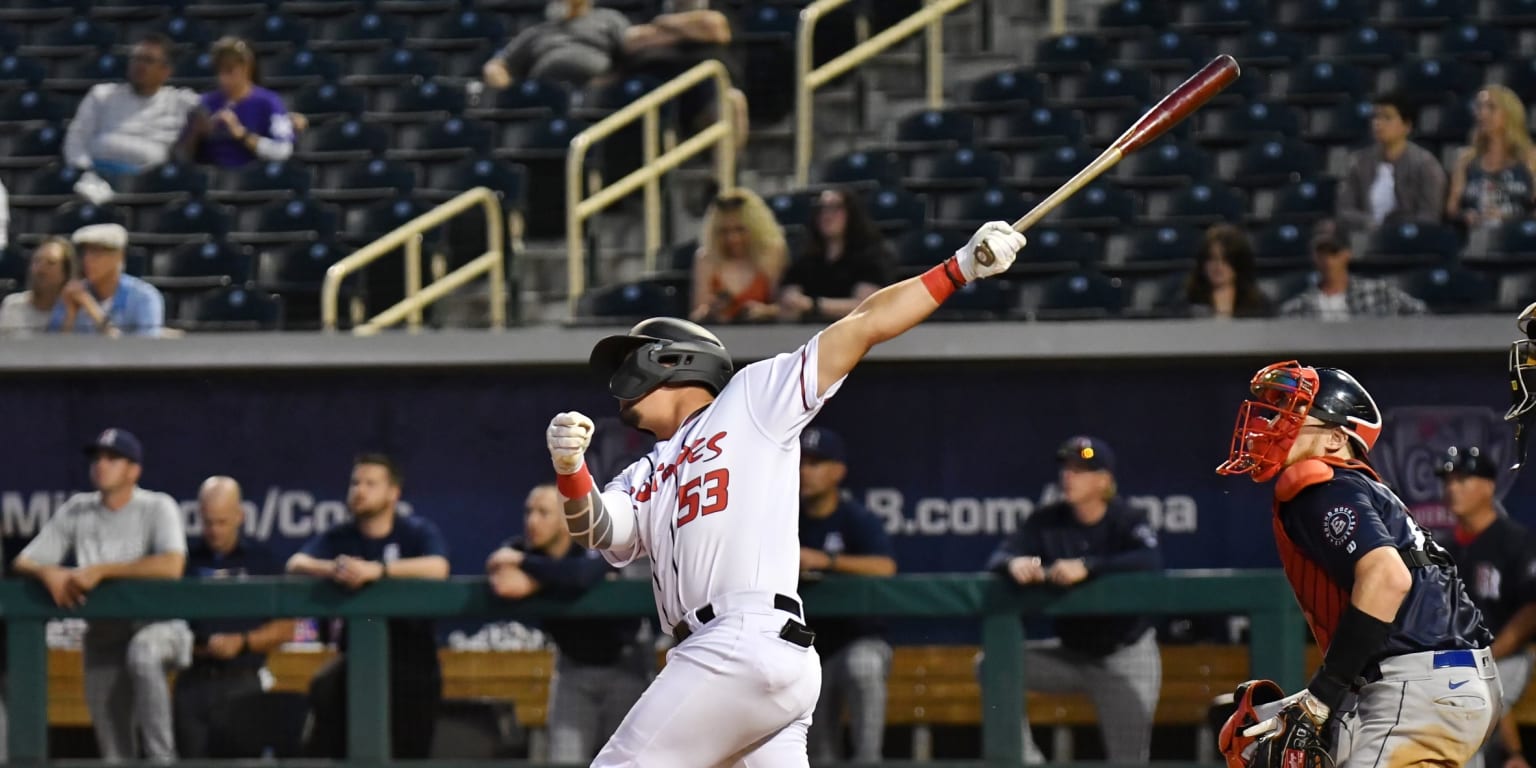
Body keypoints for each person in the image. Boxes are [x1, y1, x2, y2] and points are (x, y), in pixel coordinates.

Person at [542, 219, 1027, 765]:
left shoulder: (750, 399)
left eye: (629, 360)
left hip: (737, 639)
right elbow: (597, 532)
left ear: (672, 360)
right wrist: (569, 468)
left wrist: (958, 269)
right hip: (748, 657)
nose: (617, 382)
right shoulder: (644, 470)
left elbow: (861, 326)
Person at [1215, 361, 1498, 768]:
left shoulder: (1319, 483)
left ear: (1334, 438)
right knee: (1255, 733)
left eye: (1292, 414)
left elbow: (1387, 577)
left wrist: (1322, 696)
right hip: (1449, 683)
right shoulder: (1362, 488)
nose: (1274, 423)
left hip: (1416, 688)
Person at [12, 429, 191, 762]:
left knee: (143, 653)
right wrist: (49, 572)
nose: (101, 465)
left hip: (159, 627)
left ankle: (162, 760)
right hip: (104, 634)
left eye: (112, 459)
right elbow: (23, 560)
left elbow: (171, 565)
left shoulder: (156, 506)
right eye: (97, 459)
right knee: (113, 752)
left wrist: (103, 570)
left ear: (133, 470)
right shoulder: (78, 510)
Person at [983, 436, 1163, 764]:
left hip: (1124, 658)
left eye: (1081, 470)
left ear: (1103, 480)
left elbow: (1150, 560)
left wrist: (1089, 567)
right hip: (1071, 657)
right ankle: (1025, 760)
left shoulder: (1126, 518)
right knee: (993, 663)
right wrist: (1014, 563)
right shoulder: (1048, 520)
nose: (1069, 476)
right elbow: (1000, 556)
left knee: (1129, 761)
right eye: (1067, 468)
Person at [286, 454, 449, 759]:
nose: (359, 490)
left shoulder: (415, 532)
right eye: (355, 482)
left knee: (408, 755)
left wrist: (380, 570)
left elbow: (438, 566)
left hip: (413, 667)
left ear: (393, 493)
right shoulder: (341, 537)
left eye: (370, 483)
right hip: (356, 666)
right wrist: (335, 569)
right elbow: (296, 564)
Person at [486, 485, 649, 764]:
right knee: (565, 760)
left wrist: (531, 568)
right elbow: (504, 582)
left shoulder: (593, 541)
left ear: (565, 519)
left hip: (625, 666)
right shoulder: (521, 547)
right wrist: (554, 577)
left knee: (627, 762)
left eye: (543, 513)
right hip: (572, 670)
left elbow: (582, 575)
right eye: (529, 512)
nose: (532, 520)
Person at [795, 427, 897, 765]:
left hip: (858, 640)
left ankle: (869, 761)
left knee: (862, 665)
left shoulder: (857, 519)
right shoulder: (783, 518)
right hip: (807, 648)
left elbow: (885, 567)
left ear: (838, 471)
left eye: (817, 463)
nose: (805, 472)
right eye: (802, 463)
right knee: (818, 756)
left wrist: (826, 561)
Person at [174, 476, 295, 759]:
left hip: (243, 681)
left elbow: (288, 627)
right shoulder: (182, 561)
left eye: (222, 522)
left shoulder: (264, 562)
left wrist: (241, 642)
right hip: (193, 681)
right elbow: (162, 622)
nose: (214, 531)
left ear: (240, 516)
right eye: (208, 522)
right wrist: (196, 645)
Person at [1436, 447, 1536, 768]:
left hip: (1510, 656)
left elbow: (1531, 609)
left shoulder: (1514, 541)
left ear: (1489, 486)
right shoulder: (1443, 550)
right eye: (1449, 481)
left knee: (1469, 703)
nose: (1453, 488)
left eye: (1463, 479)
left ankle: (1511, 755)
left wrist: (1490, 654)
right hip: (1457, 662)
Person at [62, 34, 199, 195]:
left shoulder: (180, 101)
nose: (140, 65)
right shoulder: (101, 95)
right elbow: (75, 139)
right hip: (94, 179)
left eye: (148, 60)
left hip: (150, 185)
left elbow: (218, 110)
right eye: (136, 59)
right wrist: (85, 173)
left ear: (166, 71)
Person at [1336, 92, 1448, 233]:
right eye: (1375, 117)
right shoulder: (1358, 162)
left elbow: (1429, 216)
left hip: (1411, 239)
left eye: (1387, 117)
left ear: (1406, 126)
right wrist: (1372, 224)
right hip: (1365, 236)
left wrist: (1396, 227)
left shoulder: (1426, 164)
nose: (1378, 123)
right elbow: (1344, 210)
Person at [178, 37, 295, 168]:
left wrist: (242, 134)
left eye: (230, 69)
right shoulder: (204, 103)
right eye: (220, 69)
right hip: (211, 178)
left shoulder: (268, 102)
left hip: (252, 177)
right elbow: (181, 157)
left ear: (246, 68)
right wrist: (196, 133)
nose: (223, 77)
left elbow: (283, 150)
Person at [780, 188, 893, 323]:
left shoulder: (871, 256)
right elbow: (790, 300)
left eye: (835, 208)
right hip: (809, 334)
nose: (827, 215)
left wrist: (813, 305)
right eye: (822, 208)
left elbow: (865, 305)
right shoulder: (805, 259)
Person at [1278, 218, 1427, 320]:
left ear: (1347, 253)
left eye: (1333, 251)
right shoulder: (1296, 309)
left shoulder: (1379, 292)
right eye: (1321, 252)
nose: (1327, 259)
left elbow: (1423, 315)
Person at [481, 0, 632, 90]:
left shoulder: (609, 19)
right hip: (543, 96)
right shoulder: (537, 31)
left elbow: (631, 48)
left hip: (599, 92)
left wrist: (613, 79)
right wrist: (511, 91)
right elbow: (497, 65)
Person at [691, 188, 787, 324]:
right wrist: (710, 311)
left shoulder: (771, 254)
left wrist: (765, 311)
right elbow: (695, 317)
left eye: (740, 230)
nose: (733, 238)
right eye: (724, 231)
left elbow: (786, 308)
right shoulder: (705, 259)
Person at [49, 224, 165, 336]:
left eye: (96, 252)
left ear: (118, 256)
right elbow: (53, 350)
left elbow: (144, 351)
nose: (87, 260)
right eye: (85, 253)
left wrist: (91, 307)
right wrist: (71, 314)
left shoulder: (144, 297)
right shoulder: (72, 294)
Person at [1448, 85, 1536, 232]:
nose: (1482, 113)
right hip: (1476, 239)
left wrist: (1509, 218)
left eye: (1491, 107)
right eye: (1479, 107)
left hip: (1519, 237)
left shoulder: (1530, 157)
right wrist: (1465, 216)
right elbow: (1452, 209)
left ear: (1509, 114)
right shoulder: (1465, 159)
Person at [1181, 223, 1273, 318]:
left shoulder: (1259, 304)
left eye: (1226, 259)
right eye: (1211, 258)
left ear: (1239, 263)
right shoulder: (1187, 302)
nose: (1218, 266)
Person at [0, 237, 74, 336]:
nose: (40, 269)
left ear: (65, 273)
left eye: (51, 263)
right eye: (37, 261)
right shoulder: (13, 306)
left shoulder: (72, 311)